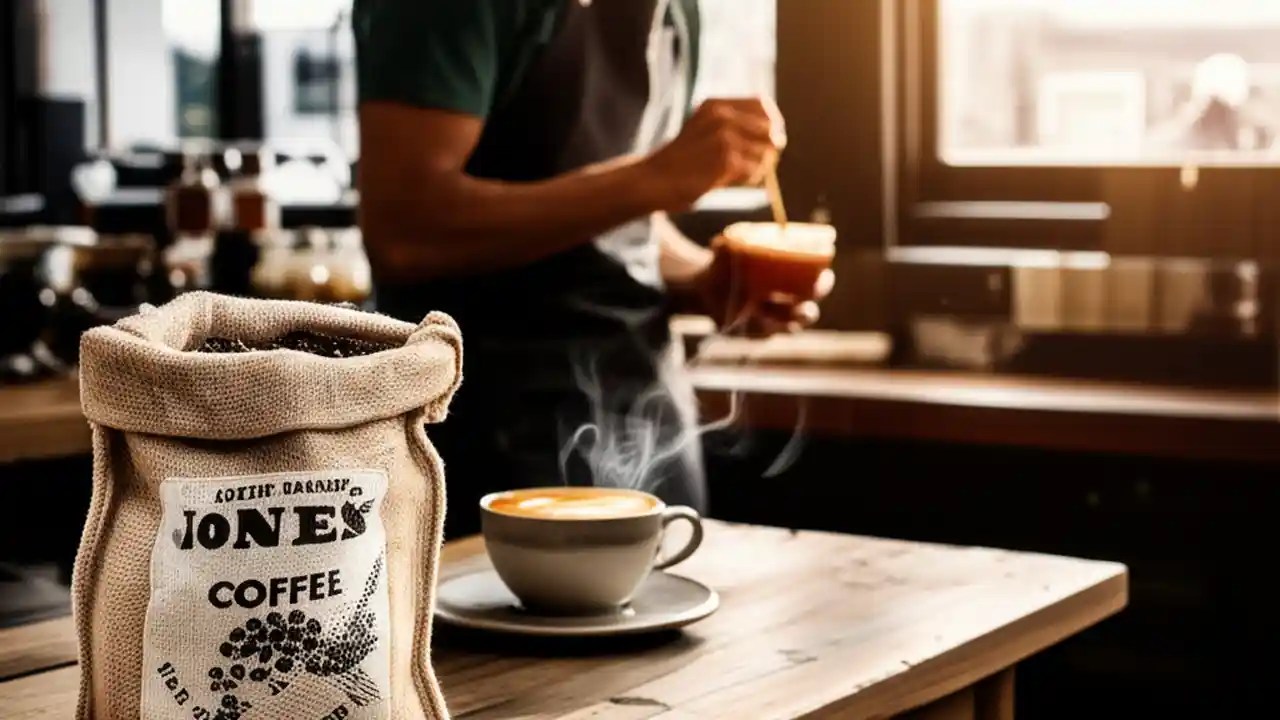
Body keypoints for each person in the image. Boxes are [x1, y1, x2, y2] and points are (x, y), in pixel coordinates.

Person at [353, 0, 833, 538]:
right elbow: (406, 228)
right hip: (487, 423)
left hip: (649, 410)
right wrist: (658, 176)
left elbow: (628, 229)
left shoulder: (677, 11)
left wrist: (705, 283)